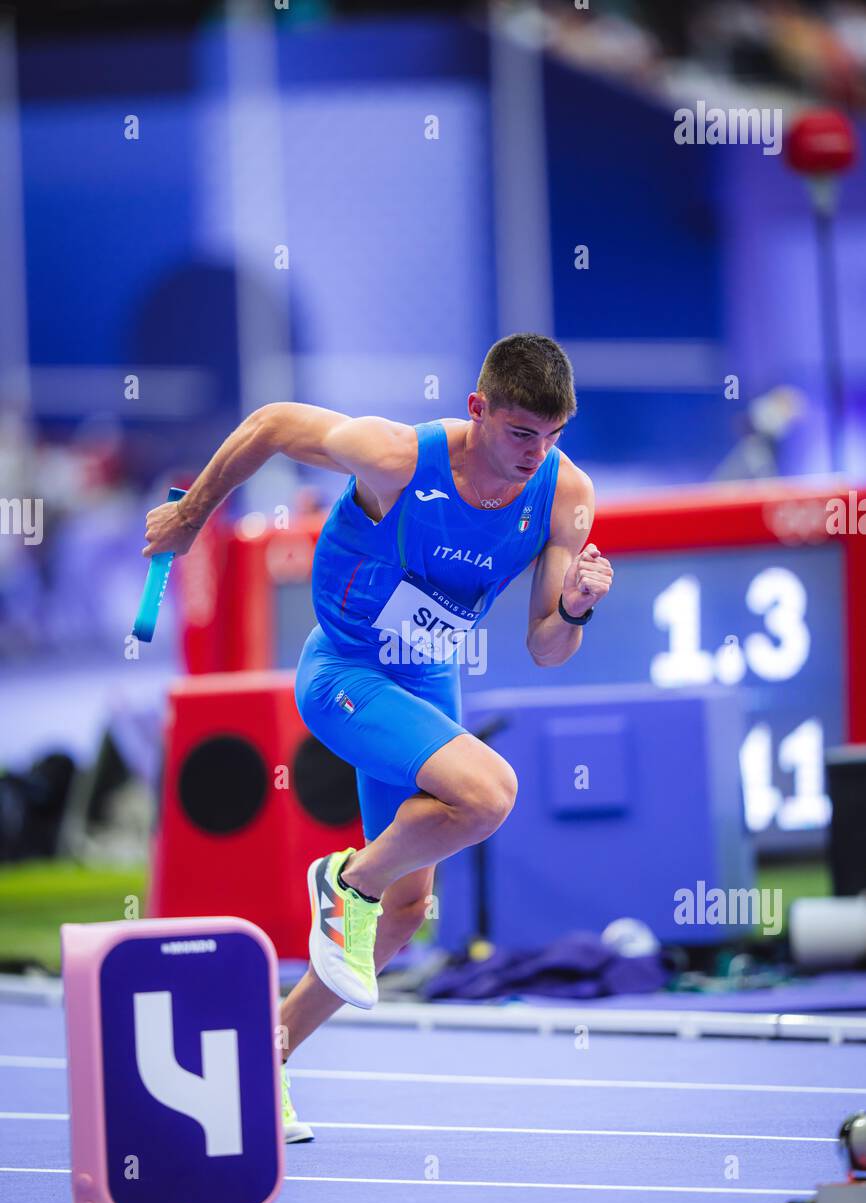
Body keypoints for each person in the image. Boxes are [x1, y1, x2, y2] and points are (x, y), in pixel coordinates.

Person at [142, 333, 614, 1141]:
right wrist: (191, 517)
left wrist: (572, 606)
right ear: (478, 410)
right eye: (520, 434)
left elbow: (545, 649)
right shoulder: (395, 456)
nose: (537, 455)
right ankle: (343, 886)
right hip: (347, 674)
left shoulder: (566, 497)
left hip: (428, 676)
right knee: (490, 793)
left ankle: (264, 1058)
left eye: (553, 436)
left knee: (406, 908)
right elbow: (270, 422)